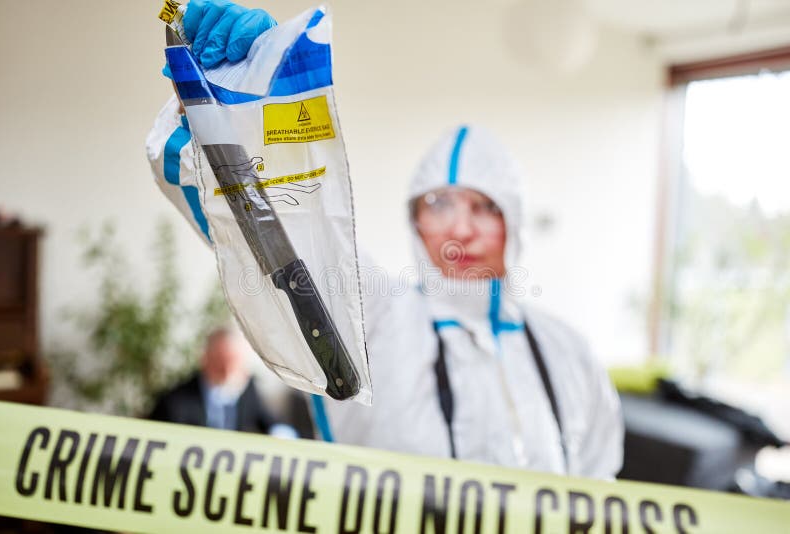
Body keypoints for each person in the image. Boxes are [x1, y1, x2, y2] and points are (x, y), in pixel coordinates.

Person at [147, 1, 623, 478]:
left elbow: (601, 493)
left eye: (484, 206)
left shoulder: (570, 354)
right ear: (415, 222)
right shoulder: (371, 320)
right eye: (439, 205)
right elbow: (282, 226)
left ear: (514, 224)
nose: (461, 228)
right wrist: (248, 109)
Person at [149, 326, 296, 436]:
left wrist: (281, 434)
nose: (229, 371)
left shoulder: (247, 388)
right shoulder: (177, 402)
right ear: (205, 360)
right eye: (222, 362)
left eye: (236, 363)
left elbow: (271, 422)